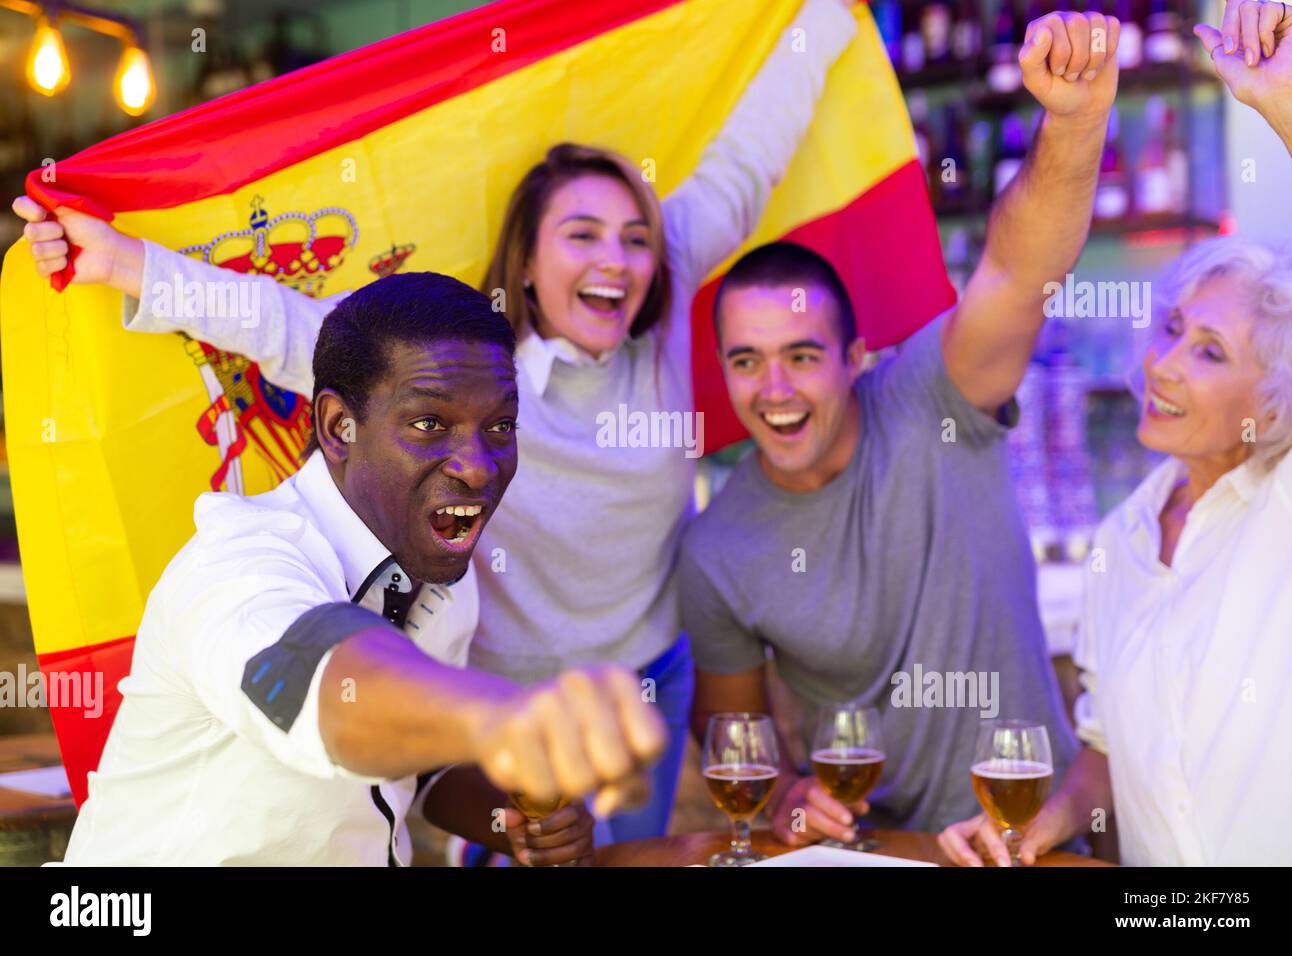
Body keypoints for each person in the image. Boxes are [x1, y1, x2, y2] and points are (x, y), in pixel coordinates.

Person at [12, 0, 860, 842]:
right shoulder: (272, 534)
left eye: (636, 236)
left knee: (596, 854)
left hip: (641, 671)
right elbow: (271, 326)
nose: (617, 257)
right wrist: (121, 262)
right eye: (583, 234)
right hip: (508, 685)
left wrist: (826, 18)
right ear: (526, 263)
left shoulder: (439, 595)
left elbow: (750, 156)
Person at [679, 9, 1124, 841]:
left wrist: (1076, 119)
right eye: (746, 361)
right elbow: (732, 740)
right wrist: (783, 801)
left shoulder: (931, 394)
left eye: (803, 356)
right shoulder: (716, 551)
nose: (774, 389)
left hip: (1045, 834)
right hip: (881, 851)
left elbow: (1019, 269)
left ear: (857, 358)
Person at [61, 273, 666, 865]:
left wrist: (513, 815)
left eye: (500, 426)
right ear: (337, 427)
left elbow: (420, 765)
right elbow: (325, 684)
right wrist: (504, 716)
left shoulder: (440, 558)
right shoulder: (240, 562)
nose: (479, 467)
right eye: (430, 424)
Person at [940, 0, 1292, 867]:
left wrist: (1287, 110)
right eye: (1171, 328)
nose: (1164, 363)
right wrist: (1040, 825)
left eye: (1210, 350)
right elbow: (1109, 756)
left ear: (1278, 394)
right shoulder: (1119, 542)